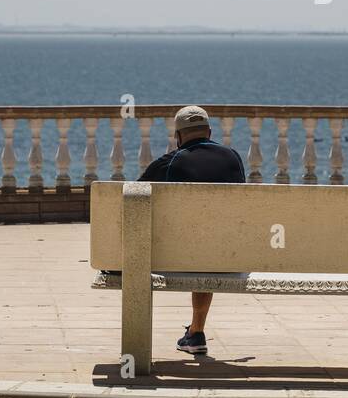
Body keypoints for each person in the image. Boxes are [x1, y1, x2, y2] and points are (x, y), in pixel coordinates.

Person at [103, 105, 245, 356]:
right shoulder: (233, 158)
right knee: (207, 245)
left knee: (164, 249)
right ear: (209, 132)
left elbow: (130, 200)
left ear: (178, 136)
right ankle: (196, 332)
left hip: (172, 258)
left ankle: (136, 350)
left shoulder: (170, 162)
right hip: (225, 257)